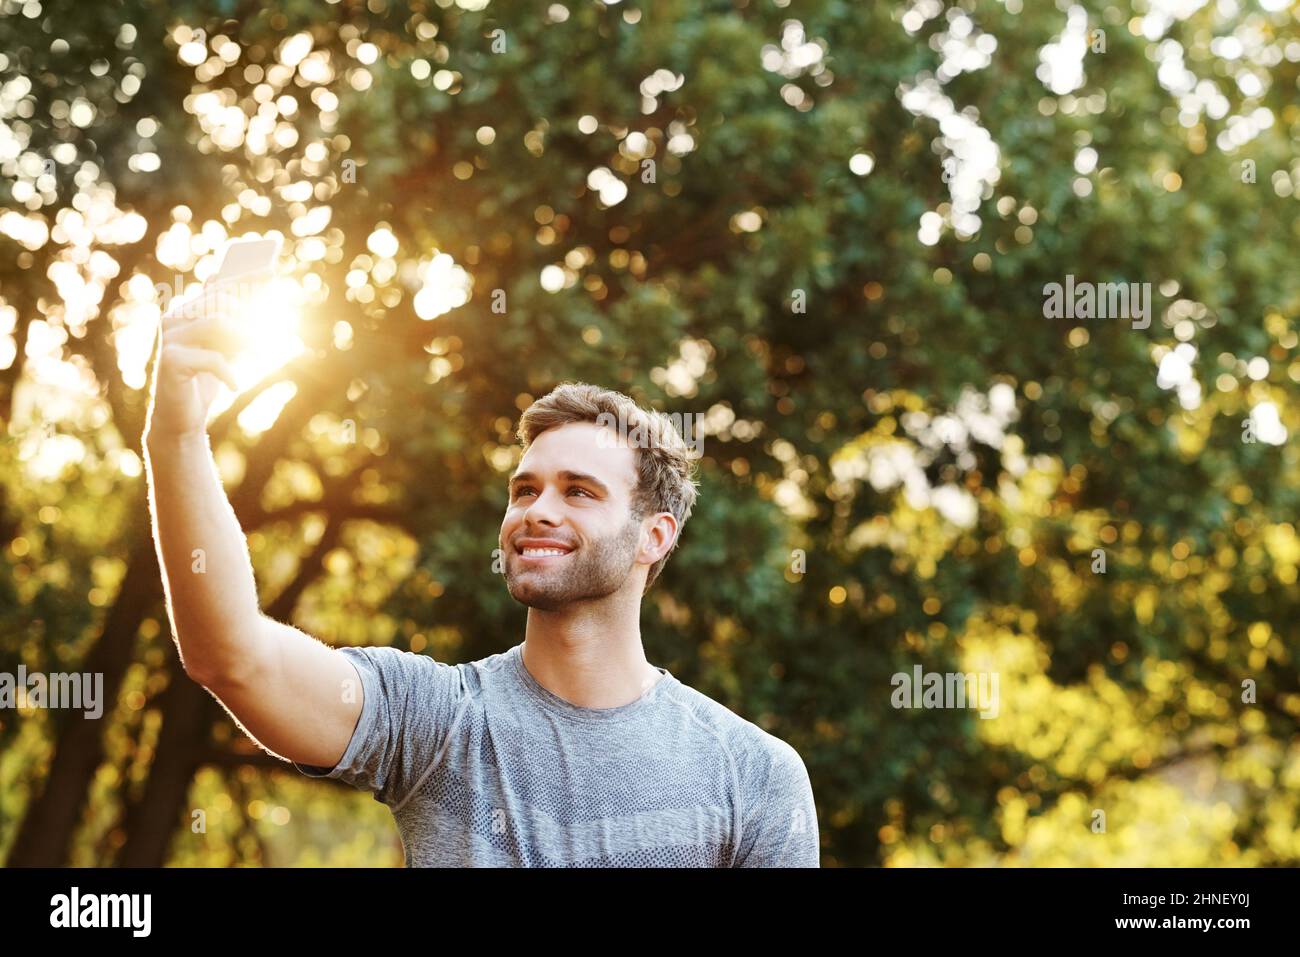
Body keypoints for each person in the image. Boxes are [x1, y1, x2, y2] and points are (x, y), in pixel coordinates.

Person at [144, 295, 820, 867]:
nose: (538, 511)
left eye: (579, 491)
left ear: (655, 535)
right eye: (525, 489)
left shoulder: (754, 776)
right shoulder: (436, 721)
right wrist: (175, 436)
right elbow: (231, 655)